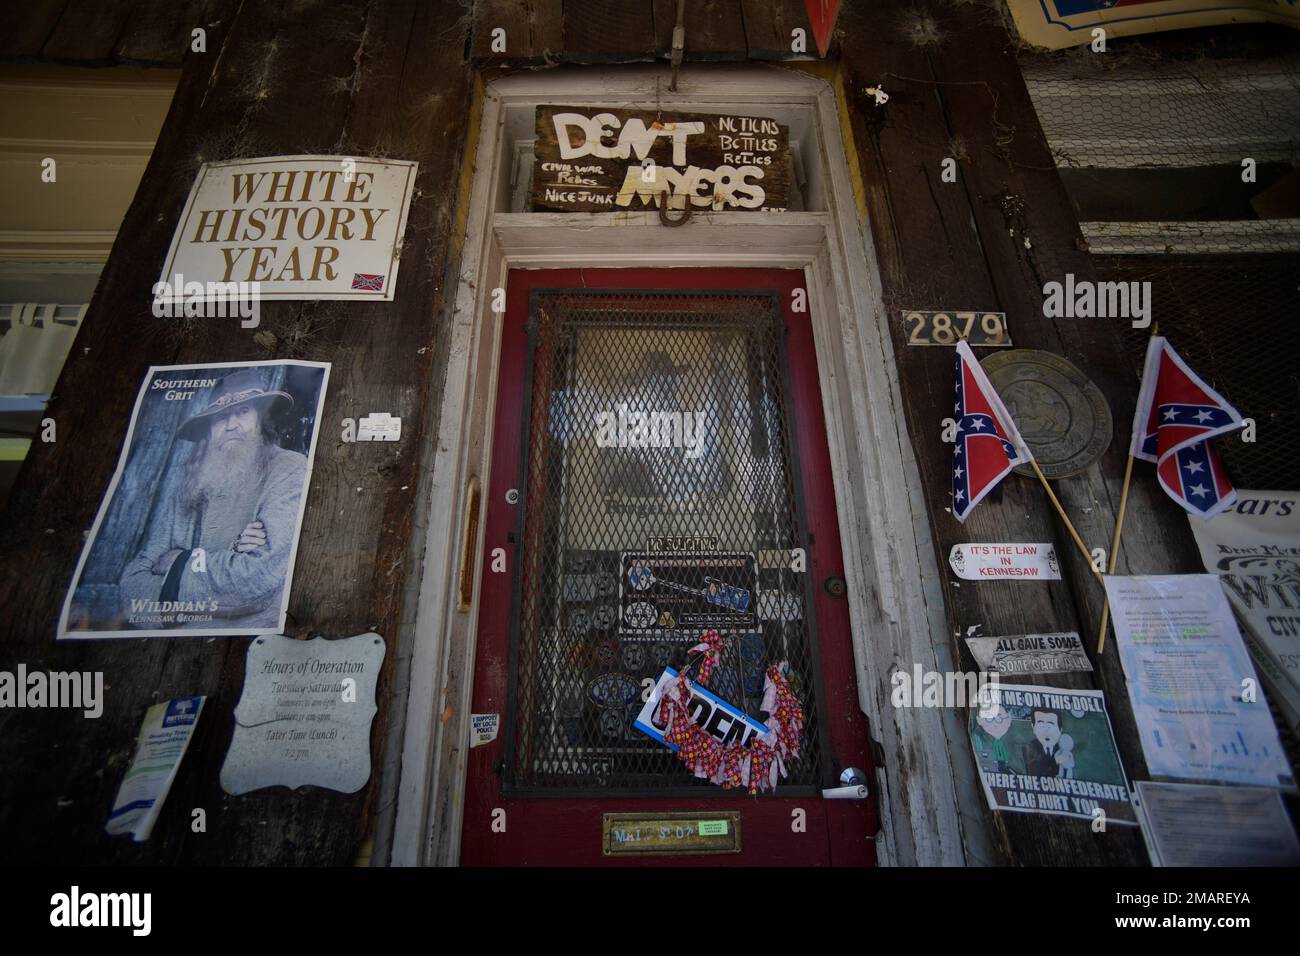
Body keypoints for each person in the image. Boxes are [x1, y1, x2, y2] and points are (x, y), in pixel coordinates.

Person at [118, 369, 307, 630]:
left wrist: (180, 561)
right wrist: (221, 566)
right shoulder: (193, 483)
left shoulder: (288, 468)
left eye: (243, 412)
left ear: (261, 418)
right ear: (209, 430)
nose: (231, 425)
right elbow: (132, 582)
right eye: (220, 417)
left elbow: (258, 577)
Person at [1022, 708, 1064, 777]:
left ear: (1060, 729)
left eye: (1051, 725)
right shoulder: (1028, 749)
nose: (1045, 731)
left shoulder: (1064, 750)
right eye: (1041, 724)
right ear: (1033, 727)